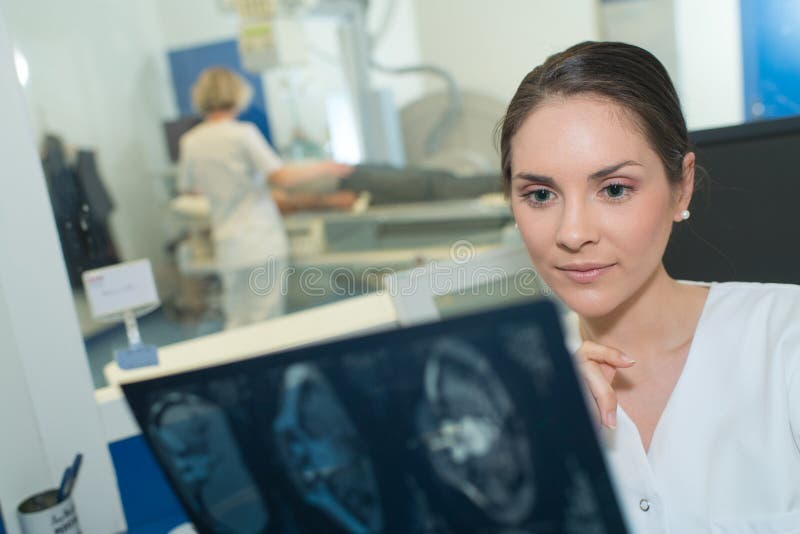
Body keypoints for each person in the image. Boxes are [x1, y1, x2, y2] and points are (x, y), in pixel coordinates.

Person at [498, 41, 800, 533]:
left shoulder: (785, 342)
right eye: (540, 195)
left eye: (614, 189)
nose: (573, 233)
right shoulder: (503, 401)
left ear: (681, 185)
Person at [178, 67, 356, 329]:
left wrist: (228, 188)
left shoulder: (191, 141)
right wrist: (327, 167)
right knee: (266, 321)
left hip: (228, 245)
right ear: (237, 95)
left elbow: (191, 188)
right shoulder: (242, 133)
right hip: (259, 241)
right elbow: (280, 176)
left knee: (236, 319)